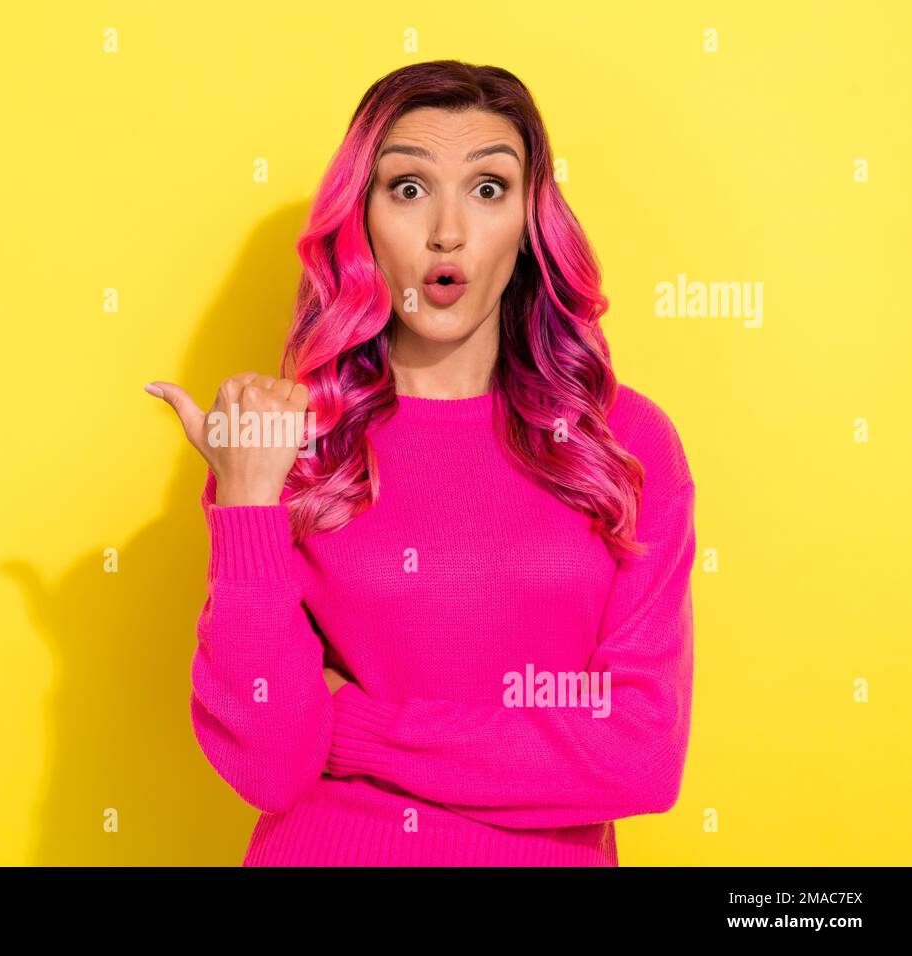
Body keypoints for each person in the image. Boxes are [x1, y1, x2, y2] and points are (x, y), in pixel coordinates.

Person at [146, 60, 696, 866]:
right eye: (408, 188)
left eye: (487, 189)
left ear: (531, 222)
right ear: (360, 221)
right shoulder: (291, 442)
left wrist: (359, 728)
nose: (447, 231)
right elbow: (269, 763)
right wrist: (248, 502)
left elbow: (641, 758)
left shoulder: (622, 442)